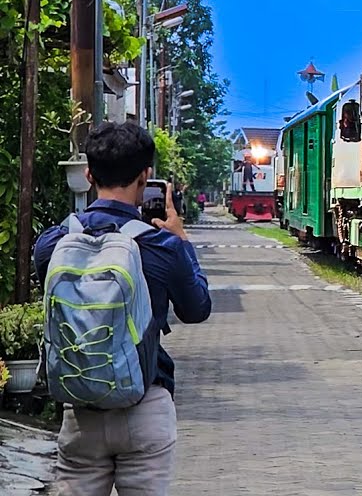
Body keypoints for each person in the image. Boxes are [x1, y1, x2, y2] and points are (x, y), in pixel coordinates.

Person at [34, 121, 212, 495]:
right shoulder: (163, 246)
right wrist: (183, 242)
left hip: (80, 410)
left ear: (88, 174)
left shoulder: (53, 243)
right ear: (146, 177)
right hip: (146, 404)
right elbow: (197, 308)